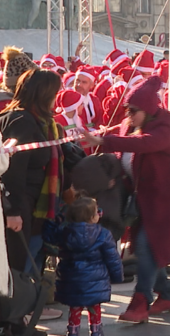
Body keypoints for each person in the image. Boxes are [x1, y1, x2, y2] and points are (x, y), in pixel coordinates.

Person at [81, 76, 170, 324]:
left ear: (148, 110)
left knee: (148, 247)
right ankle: (168, 294)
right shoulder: (130, 125)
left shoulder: (165, 128)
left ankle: (140, 302)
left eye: (134, 110)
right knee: (145, 248)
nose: (129, 115)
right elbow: (127, 156)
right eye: (127, 109)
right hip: (149, 202)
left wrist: (105, 140)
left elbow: (146, 144)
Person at [1, 68, 64, 280]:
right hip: (20, 203)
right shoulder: (23, 122)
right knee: (16, 264)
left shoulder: (31, 119)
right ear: (44, 94)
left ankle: (25, 306)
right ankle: (15, 310)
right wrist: (13, 211)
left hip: (30, 202)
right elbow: (13, 171)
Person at [45, 197, 123, 336]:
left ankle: (73, 331)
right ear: (93, 217)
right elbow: (113, 258)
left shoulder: (65, 233)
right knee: (94, 308)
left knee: (75, 307)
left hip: (71, 279)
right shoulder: (103, 234)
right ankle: (96, 331)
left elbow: (48, 237)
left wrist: (54, 220)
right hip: (95, 280)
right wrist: (117, 276)